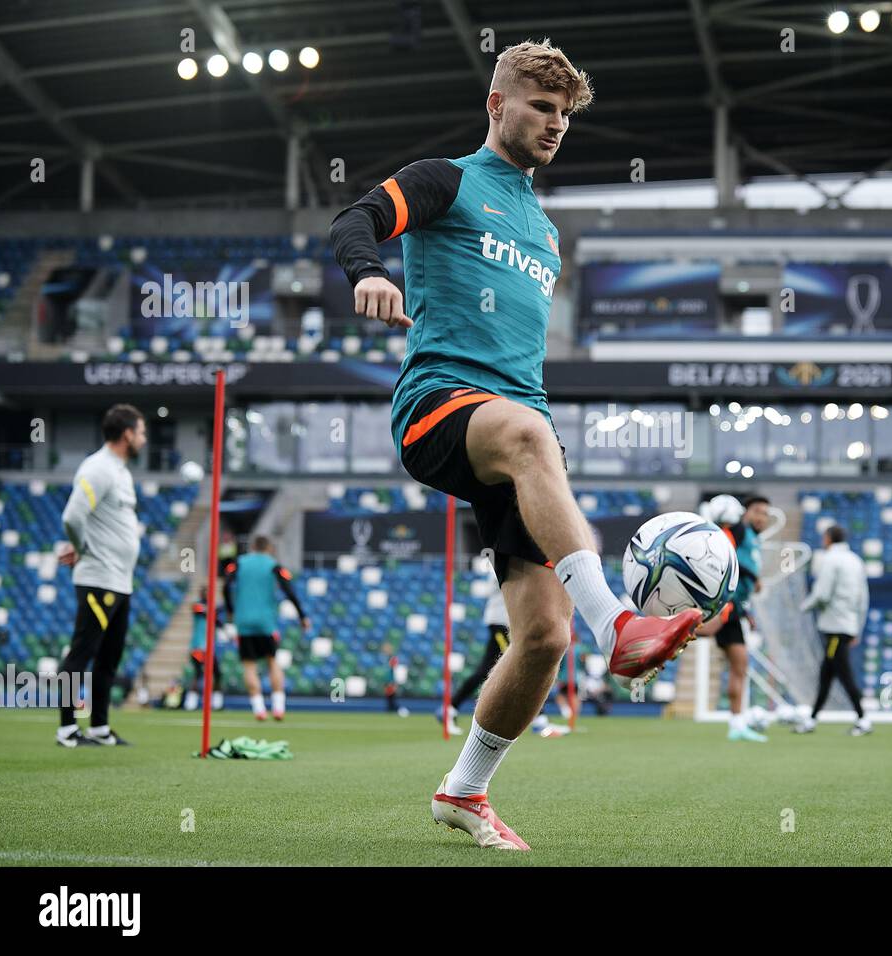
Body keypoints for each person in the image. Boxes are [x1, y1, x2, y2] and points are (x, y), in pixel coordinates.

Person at [329, 39, 701, 850]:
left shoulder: (545, 228)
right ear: (498, 105)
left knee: (542, 637)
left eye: (565, 113)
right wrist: (369, 270)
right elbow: (356, 216)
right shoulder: (448, 179)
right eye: (541, 106)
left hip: (522, 433)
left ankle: (465, 790)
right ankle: (619, 626)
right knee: (534, 437)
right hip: (440, 406)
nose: (555, 124)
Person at [55, 403, 145, 748]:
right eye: (141, 432)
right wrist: (83, 548)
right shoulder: (99, 468)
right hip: (98, 578)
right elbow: (72, 517)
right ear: (126, 434)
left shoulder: (121, 471)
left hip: (120, 580)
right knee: (81, 654)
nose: (144, 438)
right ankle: (66, 729)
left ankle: (100, 728)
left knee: (109, 658)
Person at [696, 494, 771, 742]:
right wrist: (753, 576)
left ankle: (737, 724)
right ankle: (661, 630)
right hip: (723, 603)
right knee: (702, 631)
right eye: (758, 511)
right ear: (745, 512)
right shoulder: (738, 530)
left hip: (736, 608)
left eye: (765, 513)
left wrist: (746, 611)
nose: (762, 517)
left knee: (740, 665)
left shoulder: (754, 540)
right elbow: (726, 556)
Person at [793, 524, 871, 736]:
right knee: (826, 675)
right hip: (847, 626)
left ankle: (863, 719)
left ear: (828, 539)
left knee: (844, 675)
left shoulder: (830, 560)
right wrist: (857, 629)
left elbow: (822, 594)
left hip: (835, 627)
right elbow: (863, 600)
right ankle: (811, 720)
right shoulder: (856, 560)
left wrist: (802, 607)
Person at [223, 534, 310, 721]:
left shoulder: (239, 562)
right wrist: (302, 616)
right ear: (269, 548)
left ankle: (259, 709)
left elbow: (226, 585)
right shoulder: (273, 565)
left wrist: (230, 609)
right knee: (272, 662)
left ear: (252, 546)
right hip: (265, 622)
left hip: (243, 621)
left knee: (249, 666)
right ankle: (278, 708)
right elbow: (289, 590)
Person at [442, 565, 511, 736]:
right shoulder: (502, 563)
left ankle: (451, 708)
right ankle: (540, 720)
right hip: (500, 623)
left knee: (486, 670)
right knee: (517, 665)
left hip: (505, 623)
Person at [184, 585, 226, 712]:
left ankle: (217, 702)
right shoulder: (197, 605)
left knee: (217, 674)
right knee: (198, 674)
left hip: (209, 648)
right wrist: (215, 610)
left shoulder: (213, 610)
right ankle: (190, 703)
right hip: (198, 647)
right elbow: (203, 612)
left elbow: (219, 623)